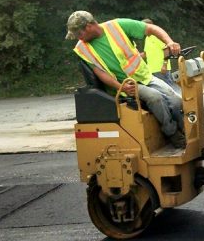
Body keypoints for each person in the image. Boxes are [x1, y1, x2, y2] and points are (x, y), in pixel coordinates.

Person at [66, 10, 187, 148]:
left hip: (145, 76)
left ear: (89, 26)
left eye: (79, 34)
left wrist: (170, 42)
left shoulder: (117, 26)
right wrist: (120, 87)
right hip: (124, 86)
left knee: (176, 101)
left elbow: (151, 29)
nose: (78, 38)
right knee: (155, 98)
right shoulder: (82, 49)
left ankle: (186, 130)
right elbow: (100, 73)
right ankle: (172, 134)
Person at [142, 18, 180, 93]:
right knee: (161, 91)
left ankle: (180, 102)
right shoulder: (147, 38)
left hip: (161, 69)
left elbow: (166, 49)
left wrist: (164, 65)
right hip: (152, 70)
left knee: (169, 88)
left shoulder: (157, 36)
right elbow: (146, 53)